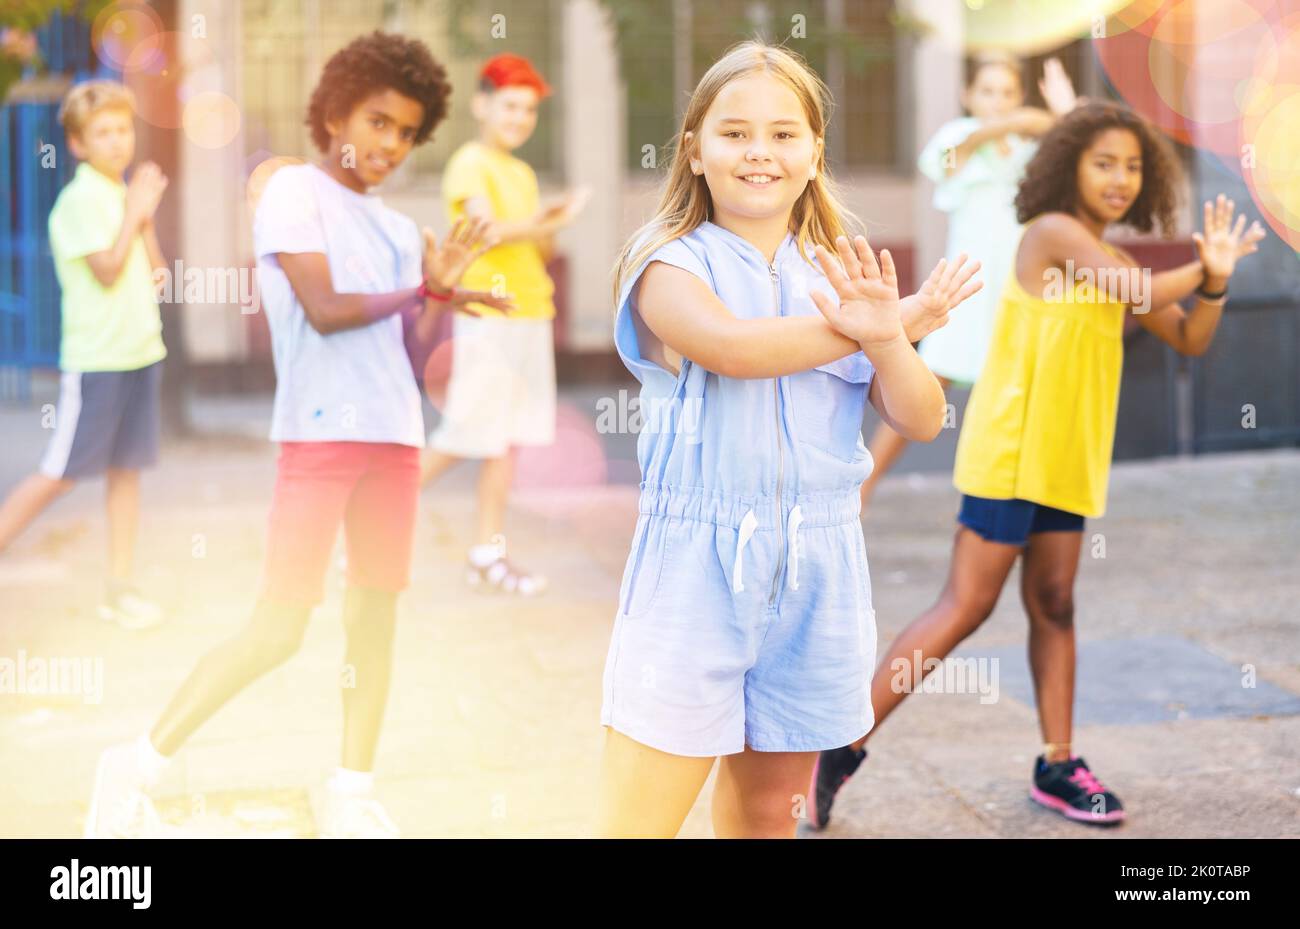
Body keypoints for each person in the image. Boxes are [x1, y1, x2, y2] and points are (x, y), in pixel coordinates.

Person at [84, 32, 508, 839]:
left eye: (406, 132)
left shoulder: (390, 227)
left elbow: (396, 339)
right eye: (378, 122)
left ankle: (350, 792)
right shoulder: (292, 196)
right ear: (337, 111)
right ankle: (134, 764)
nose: (389, 144)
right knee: (279, 626)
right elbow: (325, 310)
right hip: (318, 439)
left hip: (394, 435)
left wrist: (441, 295)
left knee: (373, 618)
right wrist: (422, 287)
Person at [812, 101, 1267, 830]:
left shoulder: (1108, 251)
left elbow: (1187, 337)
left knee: (1055, 603)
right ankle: (838, 744)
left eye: (1133, 167)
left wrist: (1213, 284)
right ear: (1067, 167)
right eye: (1104, 163)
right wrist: (1201, 264)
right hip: (1014, 448)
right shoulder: (1051, 235)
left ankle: (1058, 761)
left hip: (1068, 455)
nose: (1121, 179)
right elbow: (1144, 295)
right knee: (966, 605)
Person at [596, 41, 982, 839]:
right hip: (696, 568)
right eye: (734, 133)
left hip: (818, 565)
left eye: (784, 134)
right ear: (694, 153)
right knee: (639, 820)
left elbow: (918, 416)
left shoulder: (841, 274)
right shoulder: (666, 261)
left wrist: (889, 340)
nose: (760, 152)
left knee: (772, 810)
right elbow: (735, 349)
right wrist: (878, 325)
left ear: (814, 156)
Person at [859, 53, 1078, 513]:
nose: (996, 101)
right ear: (967, 95)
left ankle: (1015, 501)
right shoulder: (956, 137)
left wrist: (1061, 111)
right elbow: (947, 161)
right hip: (967, 287)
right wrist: (999, 127)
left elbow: (1072, 142)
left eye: (1006, 93)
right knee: (928, 382)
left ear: (1019, 96)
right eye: (987, 91)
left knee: (1018, 396)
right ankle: (862, 488)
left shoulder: (1032, 144)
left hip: (1018, 286)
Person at [0, 80, 169, 628]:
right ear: (77, 143)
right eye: (103, 132)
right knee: (59, 473)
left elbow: (155, 270)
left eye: (123, 129)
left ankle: (119, 590)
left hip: (141, 355)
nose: (118, 141)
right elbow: (108, 269)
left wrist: (143, 217)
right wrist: (135, 212)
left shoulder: (125, 196)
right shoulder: (77, 202)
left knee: (127, 474)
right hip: (98, 364)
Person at [420, 53, 588, 595]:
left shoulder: (520, 172)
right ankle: (362, 531)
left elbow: (538, 243)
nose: (519, 119)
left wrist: (552, 223)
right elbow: (486, 232)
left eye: (529, 110)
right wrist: (542, 220)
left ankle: (485, 555)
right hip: (488, 319)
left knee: (505, 444)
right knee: (463, 435)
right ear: (482, 105)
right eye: (511, 106)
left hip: (532, 315)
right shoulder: (469, 162)